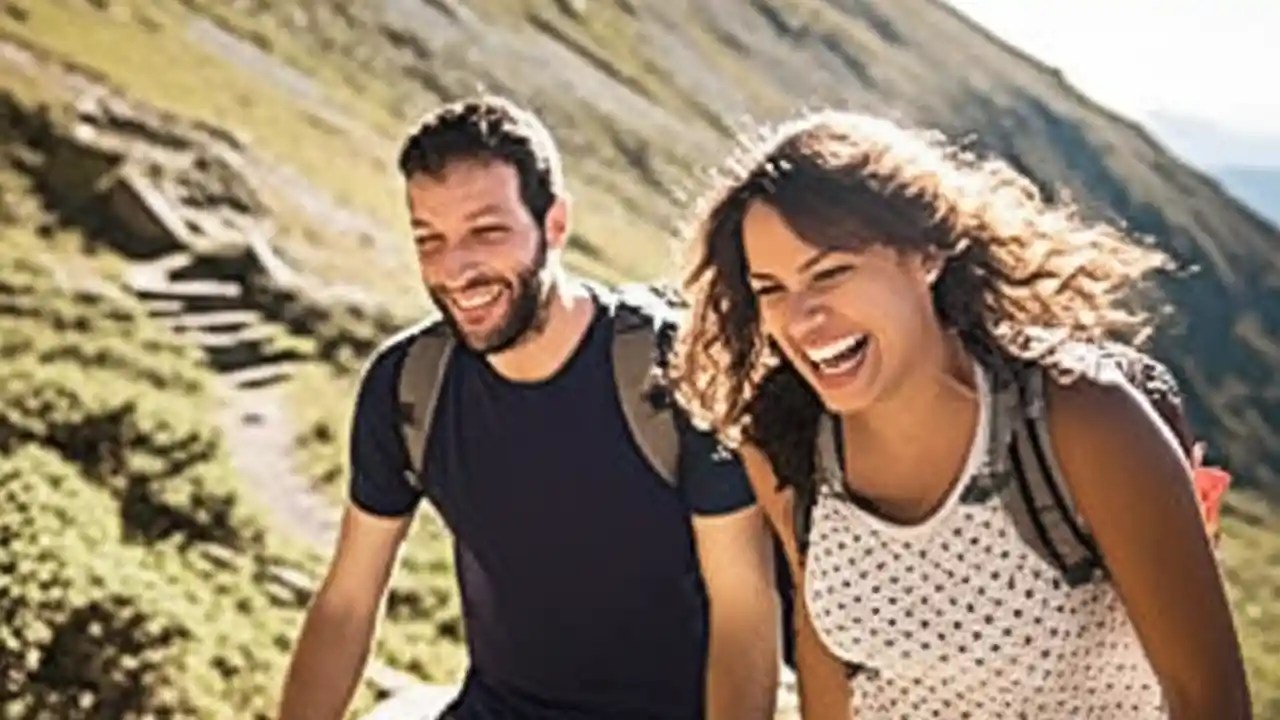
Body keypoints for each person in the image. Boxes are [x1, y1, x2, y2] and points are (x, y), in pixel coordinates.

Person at [669, 109, 1251, 719]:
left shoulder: (1079, 419)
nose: (801, 318)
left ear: (926, 253)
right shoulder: (789, 439)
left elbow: (1210, 701)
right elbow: (827, 668)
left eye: (831, 273)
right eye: (771, 289)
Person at [277, 96, 780, 720]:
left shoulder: (671, 368)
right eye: (429, 239)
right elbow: (349, 601)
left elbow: (745, 612)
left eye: (487, 232)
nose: (455, 269)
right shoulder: (408, 385)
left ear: (556, 224)